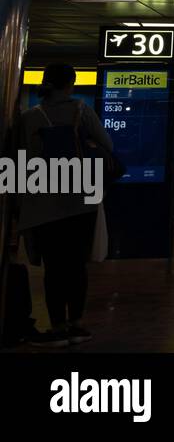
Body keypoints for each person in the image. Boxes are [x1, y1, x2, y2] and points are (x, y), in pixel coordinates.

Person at [12, 63, 114, 347]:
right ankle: (77, 324)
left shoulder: (30, 117)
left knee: (54, 269)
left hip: (42, 204)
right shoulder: (82, 112)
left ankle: (56, 327)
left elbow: (19, 161)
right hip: (80, 202)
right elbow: (108, 145)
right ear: (71, 83)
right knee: (76, 266)